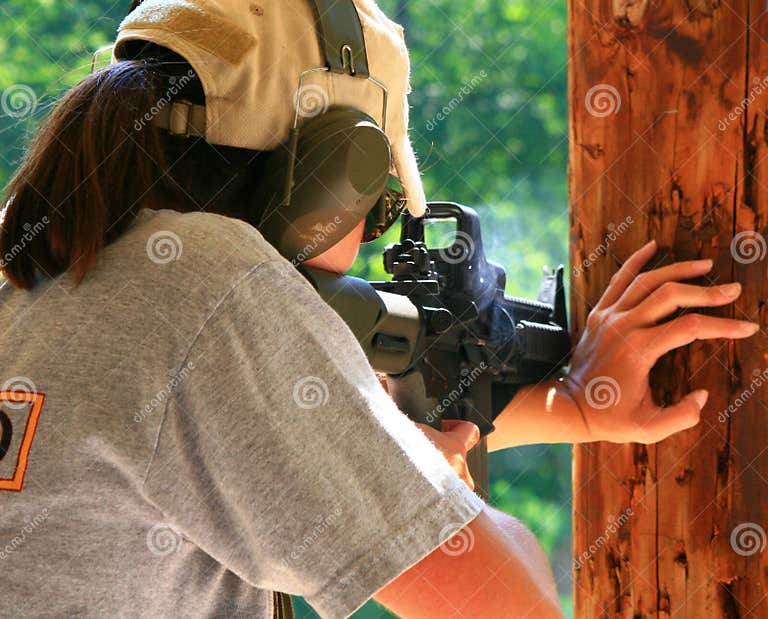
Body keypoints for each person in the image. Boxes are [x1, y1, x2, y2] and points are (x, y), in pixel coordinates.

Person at [0, 1, 757, 618]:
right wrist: (445, 498)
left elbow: (223, 433)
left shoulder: (37, 262)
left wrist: (576, 405)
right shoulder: (208, 281)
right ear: (328, 177)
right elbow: (510, 602)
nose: (372, 234)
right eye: (381, 201)